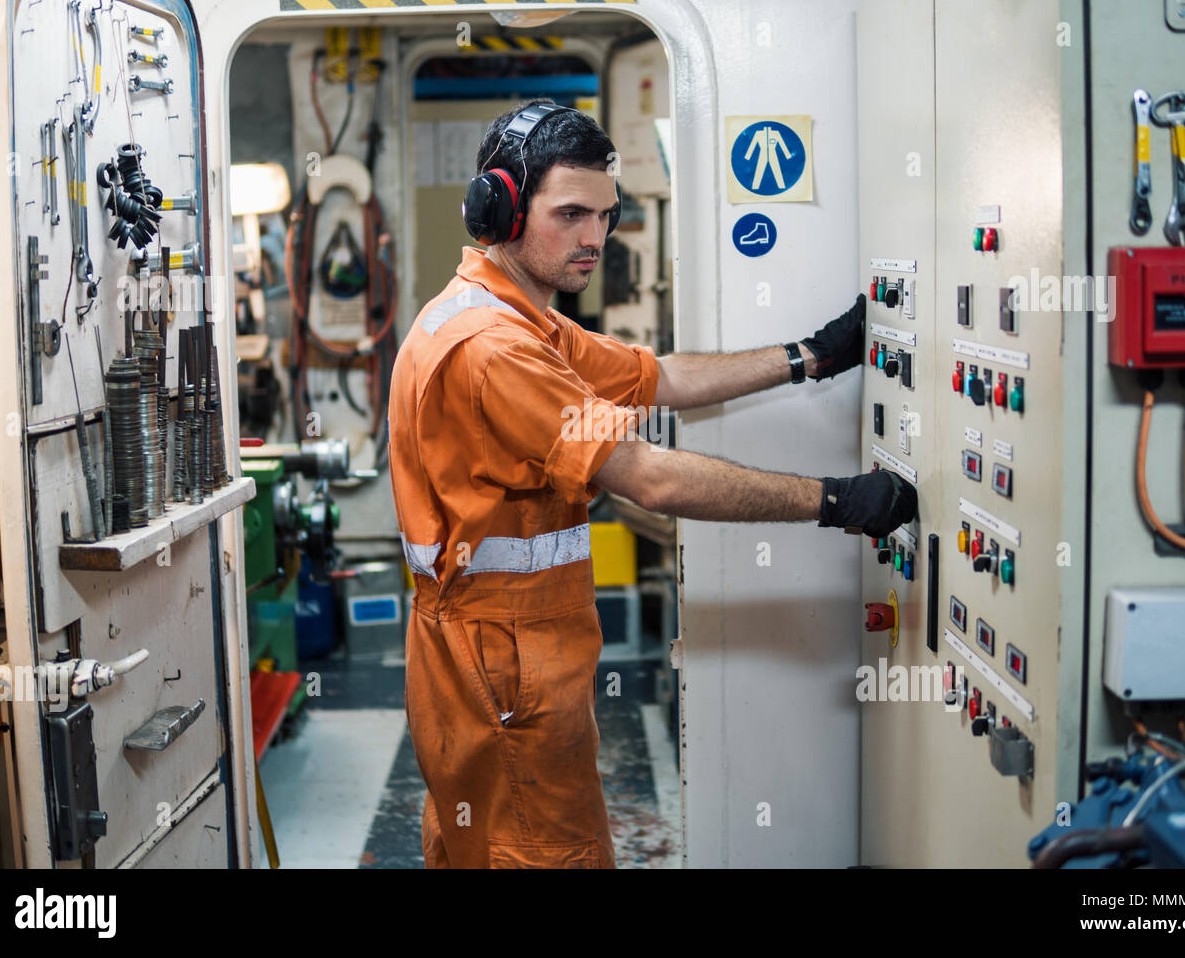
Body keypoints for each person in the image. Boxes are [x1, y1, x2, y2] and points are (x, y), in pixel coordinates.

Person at [387, 98, 917, 869]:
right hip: (502, 666)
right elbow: (653, 478)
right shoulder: (494, 348)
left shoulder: (518, 315)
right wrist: (837, 502)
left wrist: (809, 355)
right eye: (570, 213)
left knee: (483, 845)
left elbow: (658, 378)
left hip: (498, 656)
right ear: (498, 207)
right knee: (544, 852)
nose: (594, 238)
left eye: (606, 214)